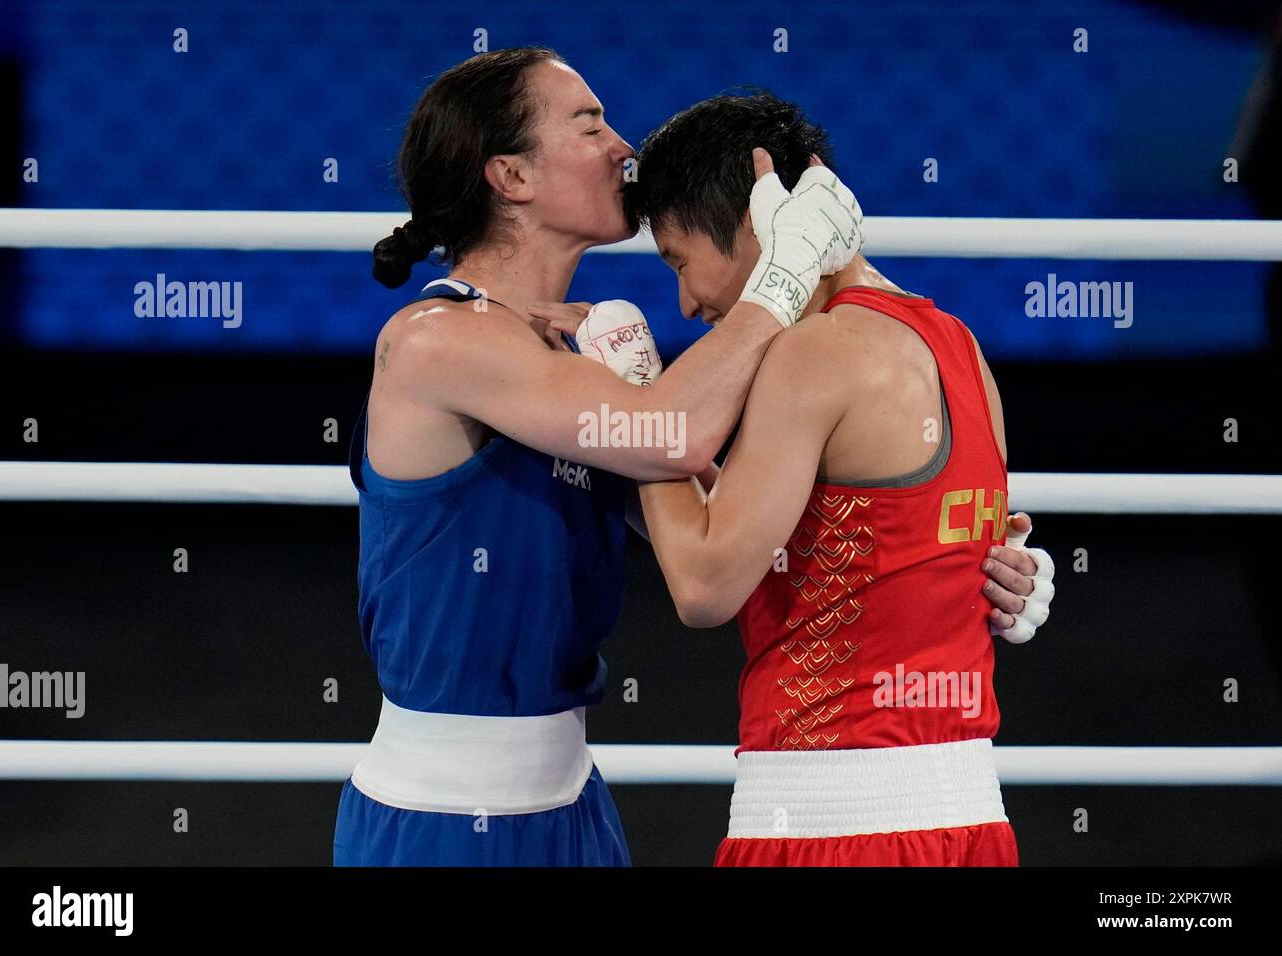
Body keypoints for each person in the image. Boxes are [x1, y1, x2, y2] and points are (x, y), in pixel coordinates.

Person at [334, 49, 1044, 867]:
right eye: (590, 123)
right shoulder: (437, 341)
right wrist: (779, 277)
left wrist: (957, 560)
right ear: (512, 176)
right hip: (442, 815)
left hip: (575, 808)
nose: (621, 147)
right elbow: (670, 446)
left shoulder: (578, 364)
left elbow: (719, 526)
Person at [610, 90, 1057, 866]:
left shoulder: (812, 352)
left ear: (757, 219)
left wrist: (642, 406)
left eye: (680, 262)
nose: (684, 303)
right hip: (970, 820)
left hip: (826, 824)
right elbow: (870, 549)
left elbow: (706, 583)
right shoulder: (959, 345)